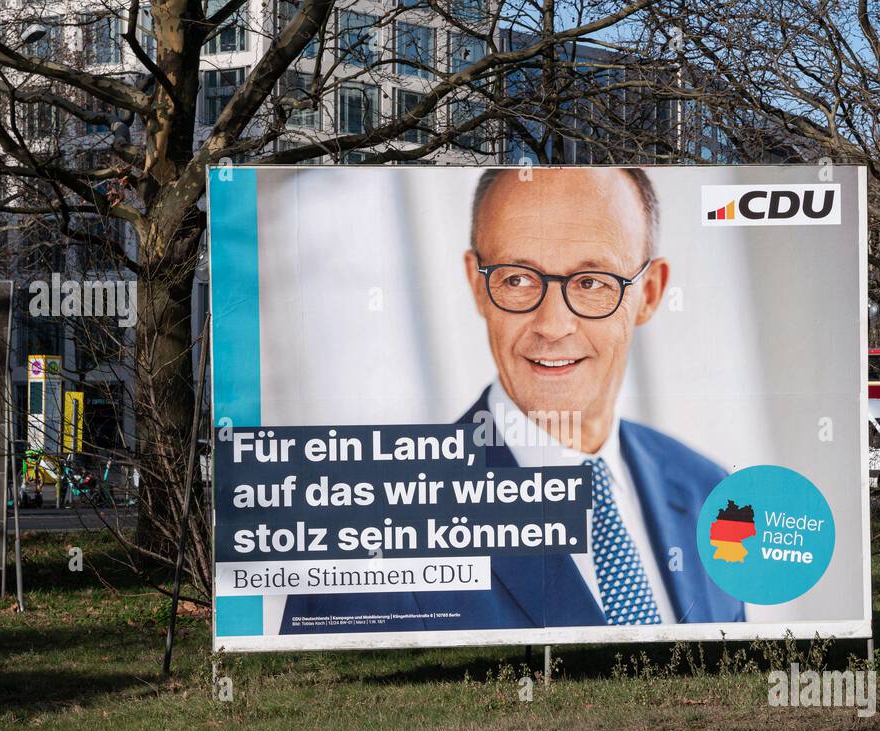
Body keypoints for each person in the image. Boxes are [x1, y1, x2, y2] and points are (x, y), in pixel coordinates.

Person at [280, 168, 743, 634]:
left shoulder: (712, 495)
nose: (553, 324)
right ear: (478, 286)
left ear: (650, 292)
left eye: (591, 281)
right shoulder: (368, 536)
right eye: (518, 279)